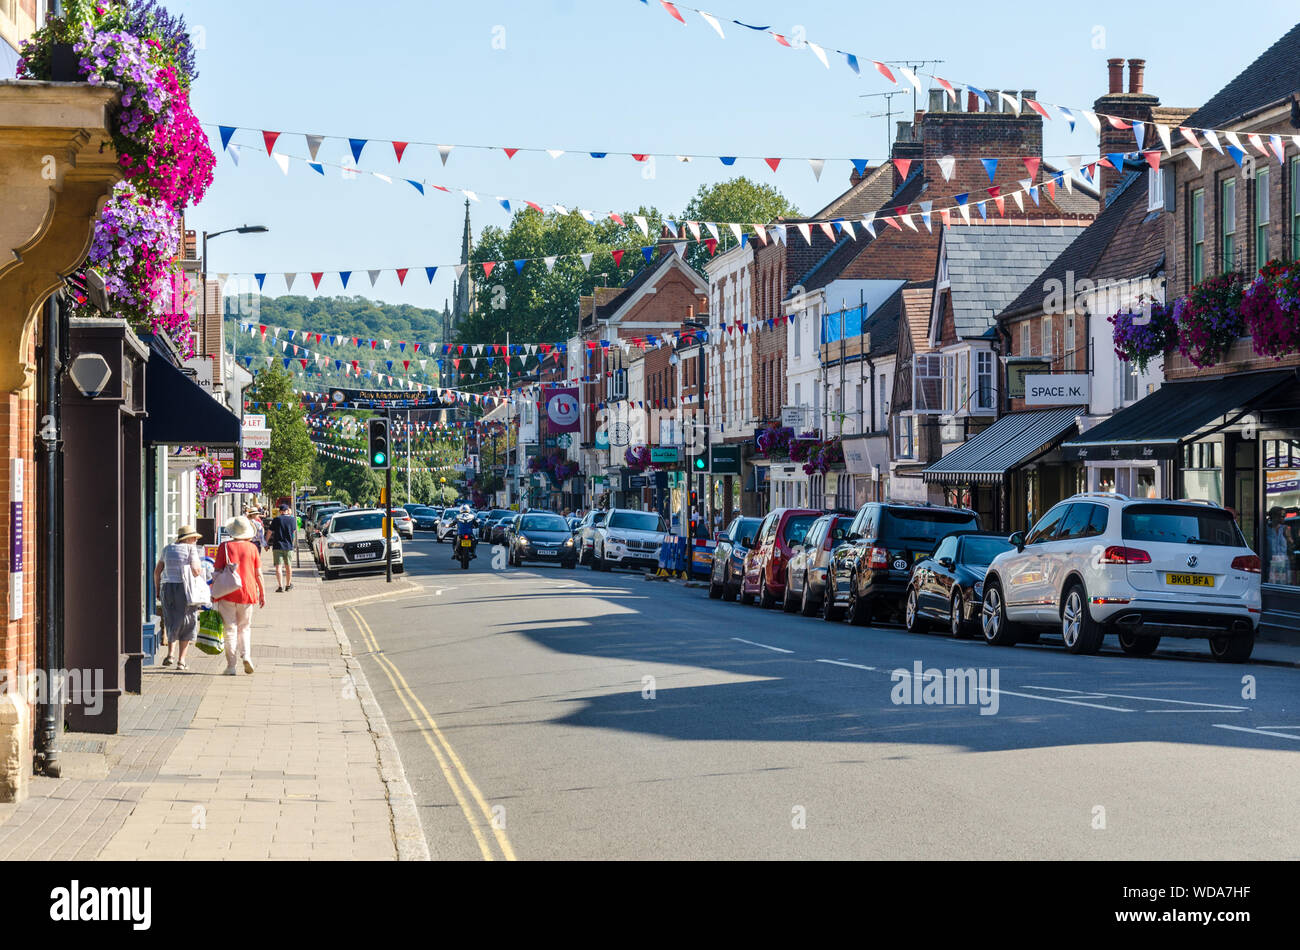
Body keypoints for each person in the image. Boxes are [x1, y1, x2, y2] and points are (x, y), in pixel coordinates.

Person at [213, 515, 266, 675]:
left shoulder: (224, 547)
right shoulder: (252, 548)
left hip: (227, 592)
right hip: (248, 592)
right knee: (244, 628)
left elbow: (216, 572)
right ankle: (247, 656)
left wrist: (213, 592)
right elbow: (258, 573)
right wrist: (262, 593)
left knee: (229, 629)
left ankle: (231, 666)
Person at [153, 525, 205, 671]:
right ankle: (181, 660)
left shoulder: (167, 548)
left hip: (167, 587)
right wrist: (201, 571)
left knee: (171, 620)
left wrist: (157, 589)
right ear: (187, 538)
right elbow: (195, 570)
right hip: (184, 588)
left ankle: (170, 655)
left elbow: (157, 572)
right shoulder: (191, 549)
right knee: (188, 621)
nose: (195, 540)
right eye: (193, 537)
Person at [270, 502, 297, 592]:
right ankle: (288, 585)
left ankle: (280, 586)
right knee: (288, 566)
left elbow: (270, 532)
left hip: (277, 546)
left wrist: (266, 543)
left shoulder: (276, 519)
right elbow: (293, 533)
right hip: (288, 546)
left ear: (280, 511)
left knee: (278, 567)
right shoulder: (292, 520)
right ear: (286, 511)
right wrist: (292, 544)